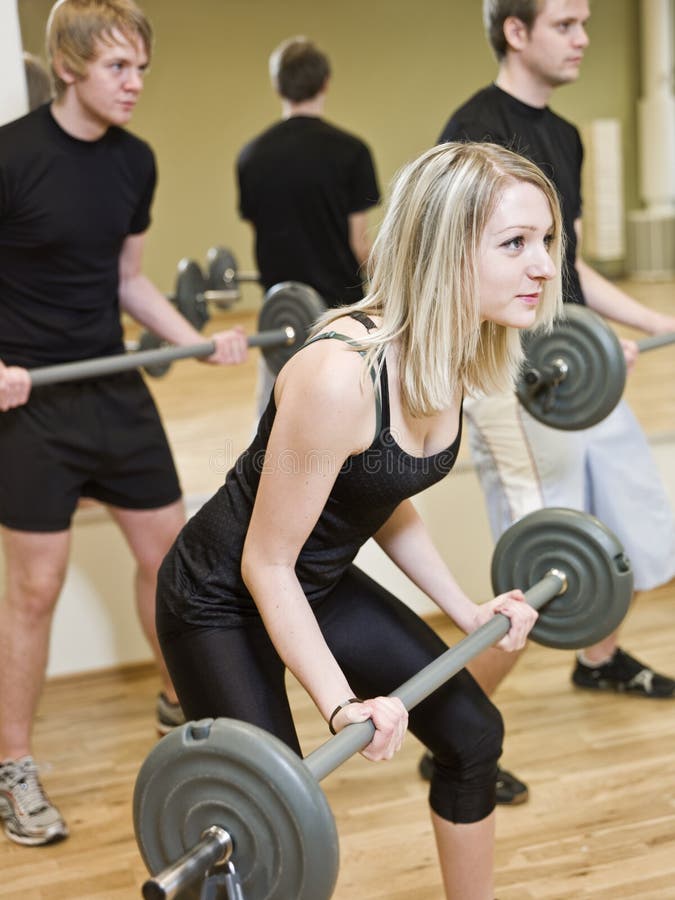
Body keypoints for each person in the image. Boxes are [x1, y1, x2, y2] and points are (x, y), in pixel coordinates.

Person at [156, 140, 564, 900]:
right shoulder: (339, 376)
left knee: (473, 735)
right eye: (514, 244)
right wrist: (341, 703)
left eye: (543, 240)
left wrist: (467, 608)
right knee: (271, 828)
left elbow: (379, 498)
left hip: (315, 581)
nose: (542, 264)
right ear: (443, 249)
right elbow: (264, 564)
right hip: (219, 598)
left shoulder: (448, 351)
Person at [0, 0, 248, 847]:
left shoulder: (135, 161)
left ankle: (182, 698)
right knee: (36, 587)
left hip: (111, 388)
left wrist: (195, 341)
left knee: (170, 558)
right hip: (32, 400)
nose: (135, 83)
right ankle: (14, 766)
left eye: (141, 67)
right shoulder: (10, 156)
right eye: (117, 68)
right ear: (68, 67)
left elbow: (127, 279)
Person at [422, 0, 675, 806]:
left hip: (570, 364)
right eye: (565, 24)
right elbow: (459, 273)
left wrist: (640, 320)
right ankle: (452, 735)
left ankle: (599, 659)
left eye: (584, 23)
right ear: (515, 30)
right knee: (543, 571)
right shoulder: (471, 137)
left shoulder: (559, 137)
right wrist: (553, 345)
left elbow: (564, 271)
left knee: (629, 526)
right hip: (511, 376)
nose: (582, 39)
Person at [236, 36, 380, 417]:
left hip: (281, 316)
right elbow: (359, 244)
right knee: (348, 417)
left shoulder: (250, 157)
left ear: (278, 85)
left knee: (272, 420)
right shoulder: (352, 151)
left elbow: (264, 235)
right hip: (340, 314)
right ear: (326, 82)